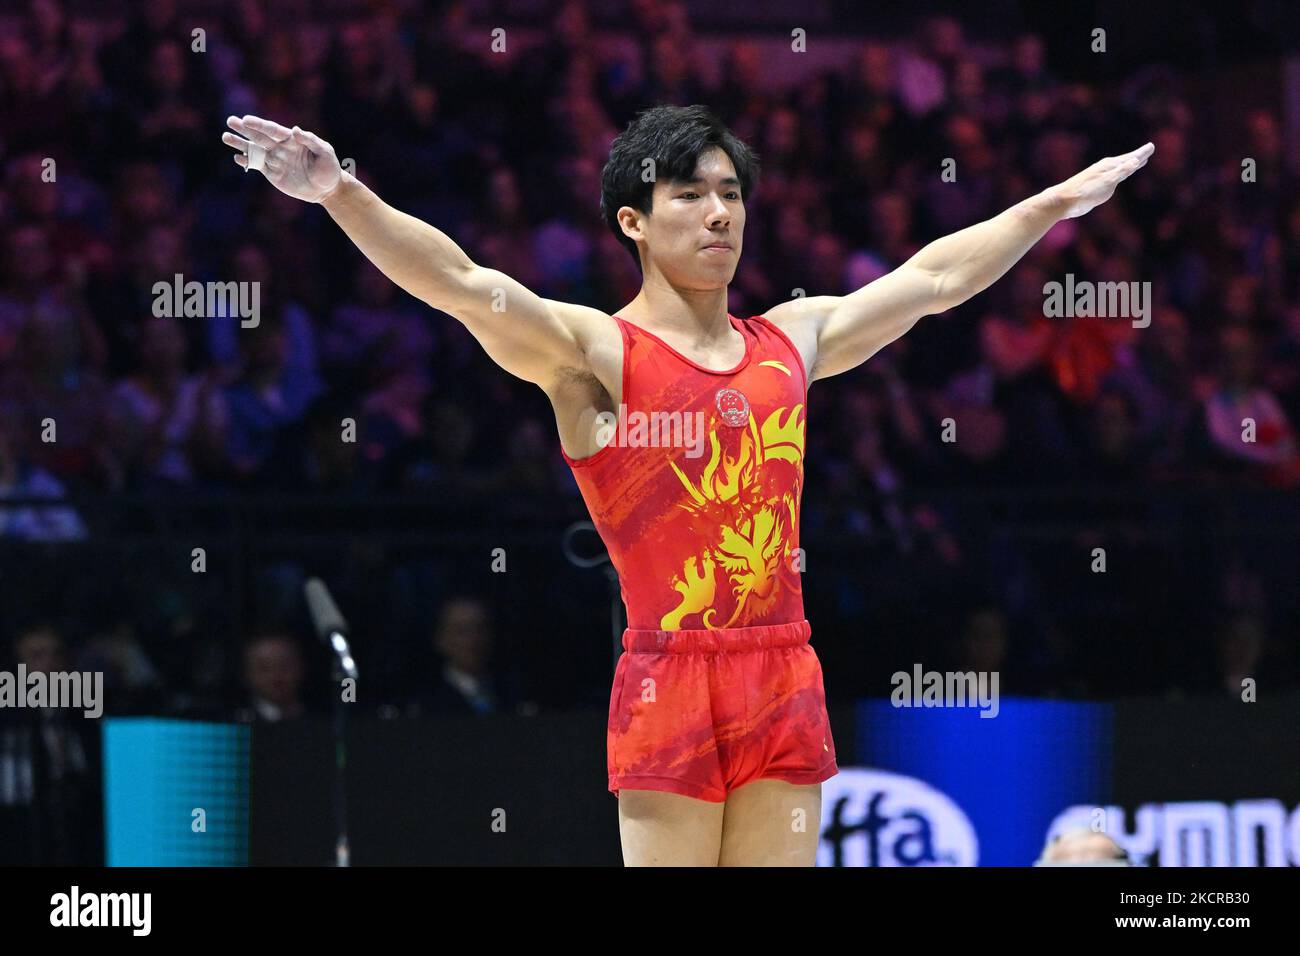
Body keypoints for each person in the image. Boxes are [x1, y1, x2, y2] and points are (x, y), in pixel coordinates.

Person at [221, 103, 1152, 866]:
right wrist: (338, 192)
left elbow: (936, 278)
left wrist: (1045, 208)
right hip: (670, 671)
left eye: (732, 193)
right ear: (632, 218)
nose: (720, 213)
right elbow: (461, 283)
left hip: (783, 665)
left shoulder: (795, 337)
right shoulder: (595, 354)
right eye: (691, 194)